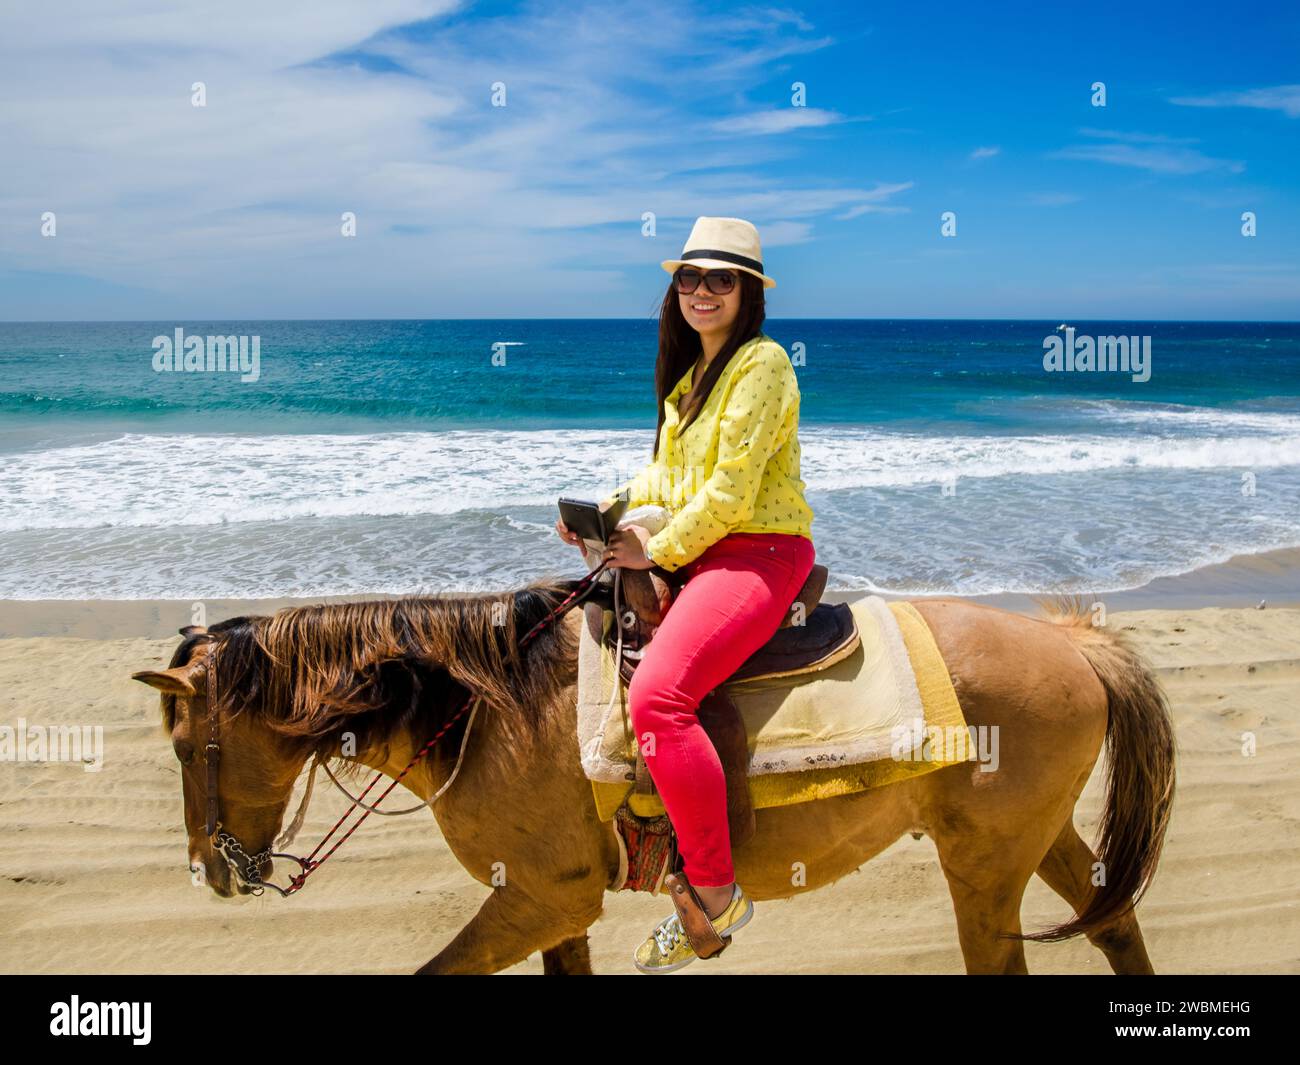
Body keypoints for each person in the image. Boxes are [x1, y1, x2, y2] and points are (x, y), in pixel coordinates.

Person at [556, 216, 815, 972]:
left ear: (748, 294)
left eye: (721, 279)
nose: (702, 291)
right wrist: (604, 515)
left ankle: (715, 887)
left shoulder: (762, 364)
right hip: (707, 550)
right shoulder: (686, 383)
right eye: (690, 278)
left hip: (757, 553)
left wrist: (656, 548)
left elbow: (731, 495)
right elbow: (662, 483)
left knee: (660, 698)